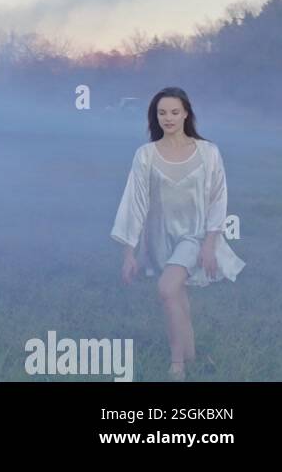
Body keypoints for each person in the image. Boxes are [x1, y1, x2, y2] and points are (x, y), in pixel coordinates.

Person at [111, 87, 245, 380]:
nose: (168, 118)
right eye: (162, 112)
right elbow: (134, 203)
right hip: (159, 237)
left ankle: (177, 365)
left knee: (166, 288)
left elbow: (218, 198)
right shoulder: (145, 155)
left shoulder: (208, 152)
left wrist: (210, 243)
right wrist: (129, 253)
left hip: (194, 236)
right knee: (177, 296)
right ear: (155, 116)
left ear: (186, 113)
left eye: (174, 111)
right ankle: (192, 355)